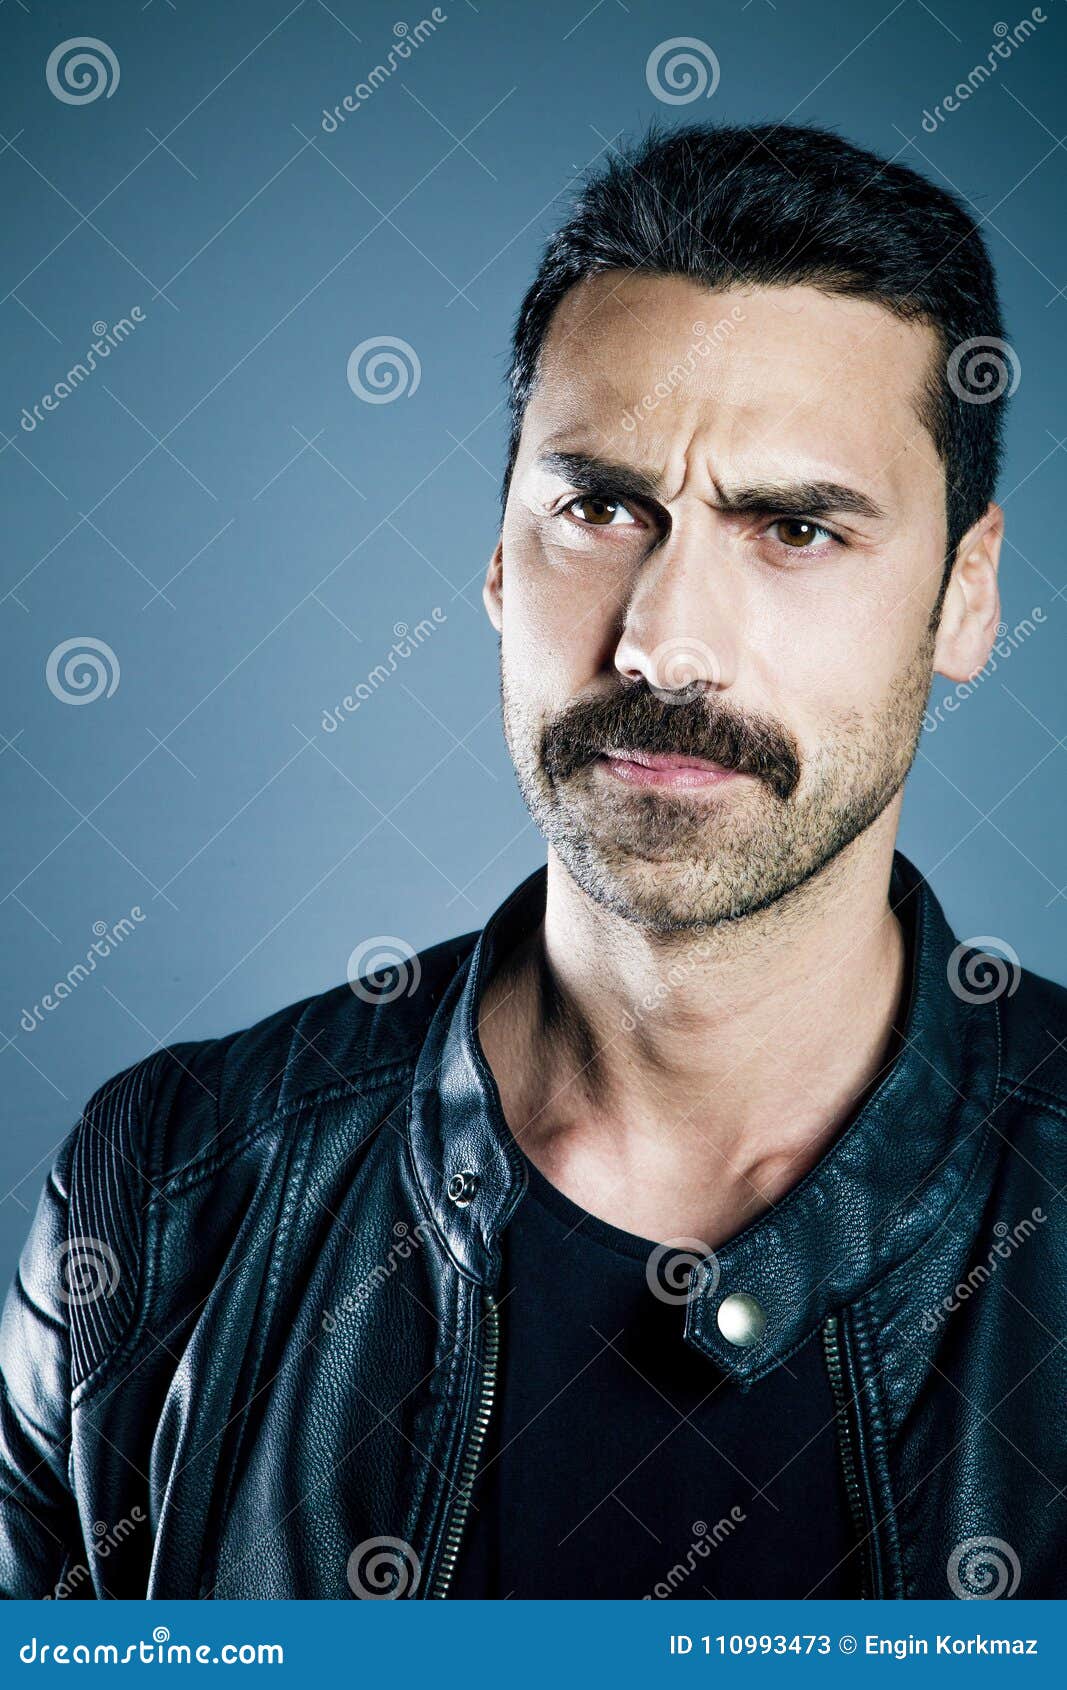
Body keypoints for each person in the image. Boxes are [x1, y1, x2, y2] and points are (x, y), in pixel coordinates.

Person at [1, 121, 1063, 1602]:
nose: (665, 641)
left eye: (798, 528)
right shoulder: (165, 1195)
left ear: (965, 596)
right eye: (602, 507)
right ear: (499, 558)